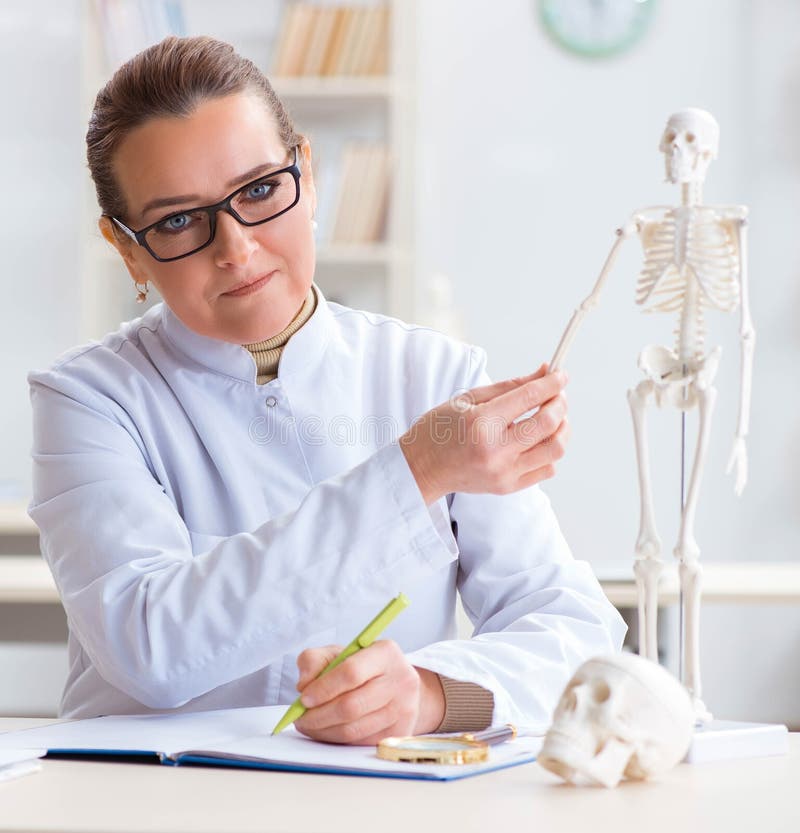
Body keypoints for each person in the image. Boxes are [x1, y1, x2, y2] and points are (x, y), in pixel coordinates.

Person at [28, 36, 625, 743]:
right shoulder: (89, 399)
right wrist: (418, 468)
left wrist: (431, 698)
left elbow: (572, 630)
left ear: (306, 176)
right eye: (179, 220)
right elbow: (152, 645)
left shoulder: (432, 375)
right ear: (127, 246)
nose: (237, 248)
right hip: (160, 802)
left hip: (370, 801)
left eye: (258, 190)